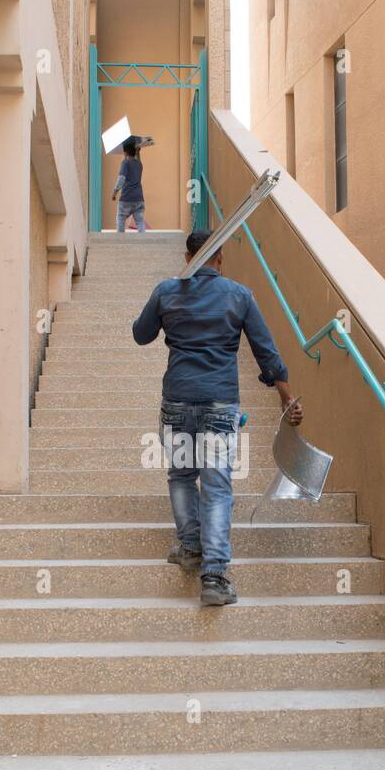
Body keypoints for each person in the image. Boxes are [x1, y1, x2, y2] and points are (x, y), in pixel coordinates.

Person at [132, 229, 303, 607]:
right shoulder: (238, 295)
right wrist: (285, 395)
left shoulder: (167, 291)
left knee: (180, 475)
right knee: (217, 485)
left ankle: (190, 547)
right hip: (220, 405)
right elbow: (266, 351)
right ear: (220, 258)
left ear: (187, 256)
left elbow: (140, 335)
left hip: (177, 399)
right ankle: (213, 576)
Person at [112, 137, 146, 234]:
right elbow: (137, 161)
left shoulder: (125, 163)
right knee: (140, 221)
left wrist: (114, 192)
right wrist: (138, 151)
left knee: (121, 218)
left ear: (125, 152)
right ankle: (143, 239)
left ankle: (120, 239)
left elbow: (121, 179)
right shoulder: (139, 165)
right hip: (139, 198)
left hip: (126, 198)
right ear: (135, 152)